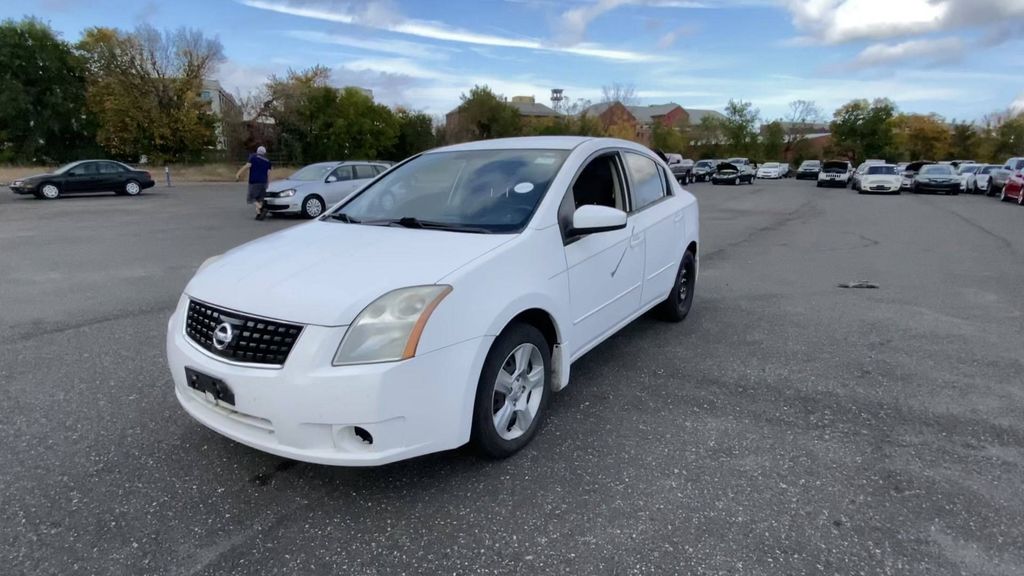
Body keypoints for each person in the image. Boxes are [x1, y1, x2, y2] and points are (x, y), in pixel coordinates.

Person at [236, 146, 272, 220]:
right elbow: (268, 173)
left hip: (254, 182)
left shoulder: (253, 158)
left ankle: (261, 208)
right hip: (264, 182)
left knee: (251, 198)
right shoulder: (268, 161)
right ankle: (259, 214)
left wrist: (238, 173)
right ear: (264, 153)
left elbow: (247, 166)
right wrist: (268, 183)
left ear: (257, 151)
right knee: (260, 199)